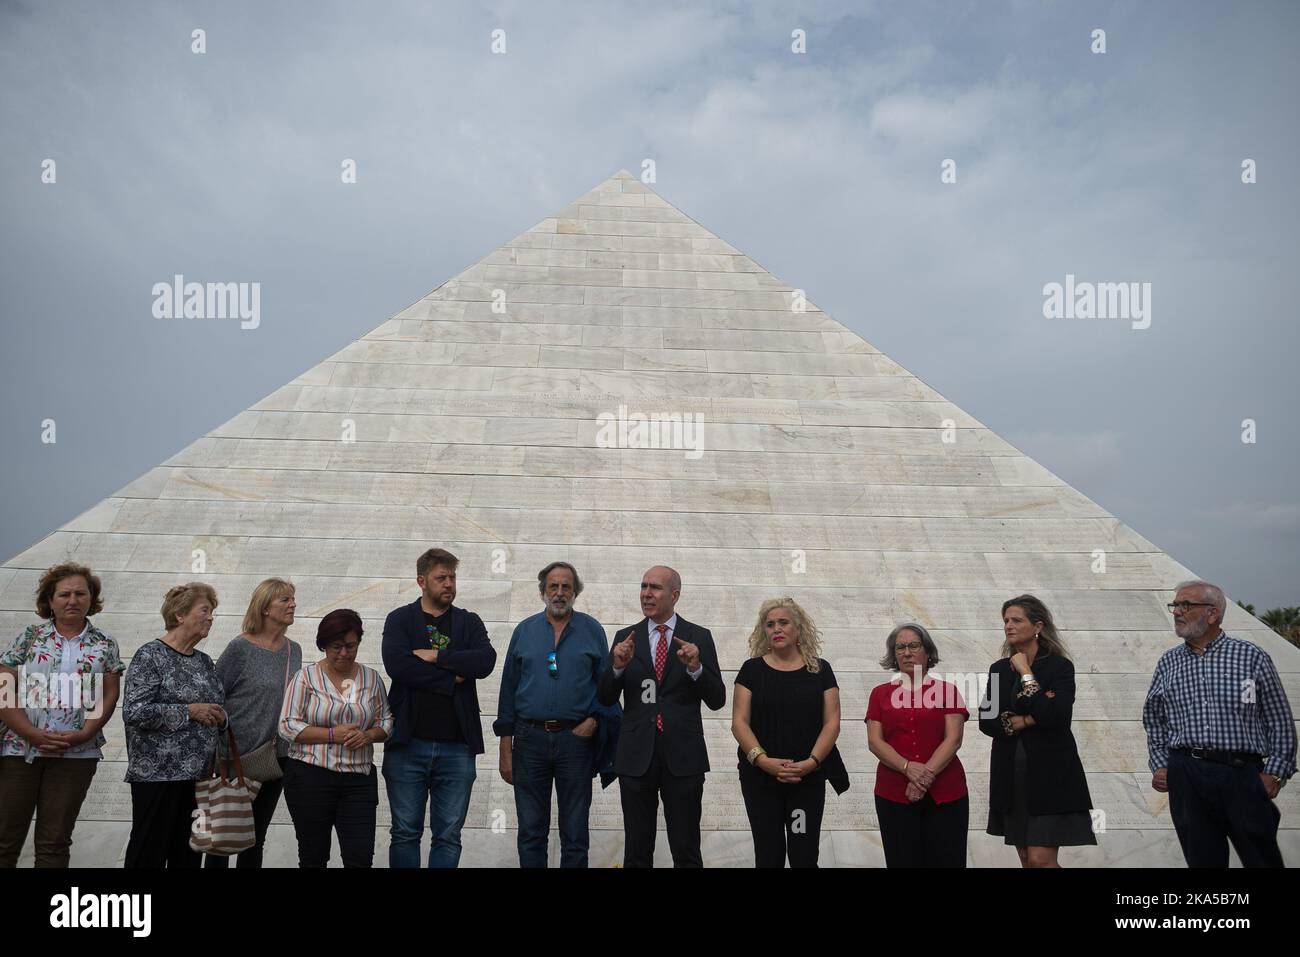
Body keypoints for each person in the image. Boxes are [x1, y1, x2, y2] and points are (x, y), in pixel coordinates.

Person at [1143, 580, 1295, 867]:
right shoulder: (1169, 662)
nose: (1176, 612)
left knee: (1262, 860)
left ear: (1212, 613)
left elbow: (1278, 719)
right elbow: (1154, 719)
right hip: (1186, 774)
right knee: (1202, 862)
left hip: (1241, 774)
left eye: (1185, 605)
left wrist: (1274, 773)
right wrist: (1162, 764)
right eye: (1175, 605)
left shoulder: (1251, 656)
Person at [597, 565, 726, 867]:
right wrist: (617, 666)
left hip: (683, 757)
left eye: (654, 587)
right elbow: (604, 697)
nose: (646, 594)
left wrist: (696, 668)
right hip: (635, 757)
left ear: (675, 595)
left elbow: (717, 699)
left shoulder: (699, 637)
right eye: (643, 586)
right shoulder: (624, 638)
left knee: (686, 850)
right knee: (637, 851)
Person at [495, 561, 619, 868]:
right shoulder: (524, 631)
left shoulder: (592, 630)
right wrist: (505, 747)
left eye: (567, 586)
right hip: (529, 740)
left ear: (575, 592)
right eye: (554, 586)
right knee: (530, 832)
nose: (560, 592)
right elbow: (508, 689)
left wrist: (593, 721)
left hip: (575, 743)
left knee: (575, 834)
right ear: (542, 592)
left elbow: (607, 686)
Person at [0, 563, 123, 868]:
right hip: (19, 751)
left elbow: (108, 694)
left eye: (81, 593)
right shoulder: (28, 637)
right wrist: (30, 732)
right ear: (50, 600)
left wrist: (84, 734)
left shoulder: (104, 644)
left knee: (54, 841)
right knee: (4, 838)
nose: (73, 600)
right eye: (64, 594)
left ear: (91, 599)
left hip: (76, 755)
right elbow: (4, 688)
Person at [381, 548, 496, 868]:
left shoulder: (469, 621)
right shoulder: (400, 619)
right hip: (408, 743)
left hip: (457, 746)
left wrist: (437, 657)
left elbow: (485, 661)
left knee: (448, 835)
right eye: (441, 578)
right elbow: (398, 666)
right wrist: (451, 679)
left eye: (452, 577)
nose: (449, 584)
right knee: (404, 832)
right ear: (421, 581)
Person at [978, 594, 1095, 867]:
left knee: (1041, 860)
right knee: (1026, 859)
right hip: (1011, 776)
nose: (1009, 626)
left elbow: (1056, 714)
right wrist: (1026, 716)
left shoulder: (1060, 667)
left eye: (1017, 620)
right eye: (1006, 620)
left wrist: (1026, 674)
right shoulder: (998, 670)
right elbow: (986, 720)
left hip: (1051, 776)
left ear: (1038, 626)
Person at [731, 597, 845, 868]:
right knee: (768, 856)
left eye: (783, 622)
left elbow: (832, 722)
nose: (776, 629)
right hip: (761, 781)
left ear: (798, 629)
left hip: (806, 781)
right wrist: (762, 760)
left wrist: (812, 763)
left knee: (804, 856)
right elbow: (739, 722)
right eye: (770, 624)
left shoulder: (820, 669)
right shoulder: (752, 670)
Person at [122, 583, 228, 868]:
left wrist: (219, 717)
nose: (210, 618)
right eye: (205, 610)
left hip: (198, 778)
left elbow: (219, 707)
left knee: (188, 857)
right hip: (157, 776)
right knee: (149, 853)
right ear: (180, 615)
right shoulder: (150, 656)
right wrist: (189, 712)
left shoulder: (205, 662)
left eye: (212, 612)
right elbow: (135, 712)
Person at [278, 608, 391, 868]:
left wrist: (368, 735)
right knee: (313, 856)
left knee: (360, 857)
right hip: (310, 776)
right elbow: (286, 726)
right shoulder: (305, 678)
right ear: (324, 645)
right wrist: (332, 734)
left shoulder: (371, 678)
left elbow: (386, 721)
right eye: (336, 647)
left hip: (358, 780)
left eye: (351, 646)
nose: (344, 653)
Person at [205, 578, 303, 869]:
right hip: (237, 756)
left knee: (255, 838)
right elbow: (214, 696)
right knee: (223, 839)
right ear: (264, 608)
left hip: (275, 757)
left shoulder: (292, 650)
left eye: (292, 599)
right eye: (284, 600)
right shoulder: (240, 648)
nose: (292, 604)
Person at [866, 623, 968, 867]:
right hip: (893, 792)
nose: (906, 652)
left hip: (947, 793)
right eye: (899, 647)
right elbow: (874, 742)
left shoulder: (947, 690)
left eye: (913, 645)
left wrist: (924, 776)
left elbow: (953, 739)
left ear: (927, 651)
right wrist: (906, 767)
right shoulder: (879, 694)